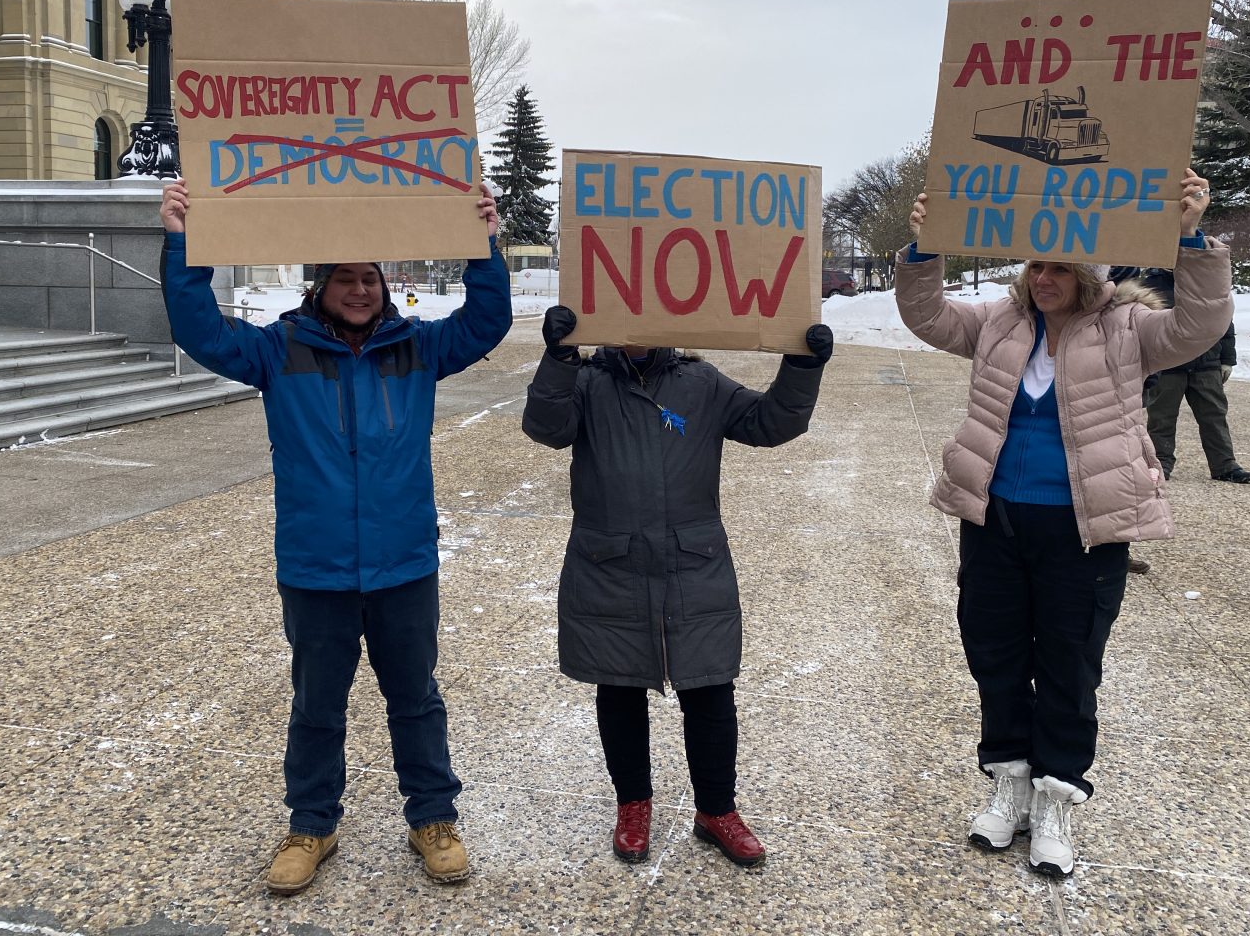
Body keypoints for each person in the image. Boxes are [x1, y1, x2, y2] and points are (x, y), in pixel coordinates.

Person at [158, 179, 512, 894]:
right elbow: (199, 330)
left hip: (402, 564)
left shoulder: (417, 349)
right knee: (317, 705)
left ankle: (434, 819)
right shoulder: (277, 351)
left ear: (385, 286)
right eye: (345, 278)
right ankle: (311, 823)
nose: (359, 290)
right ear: (321, 286)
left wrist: (485, 242)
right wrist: (182, 242)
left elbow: (487, 322)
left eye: (370, 277)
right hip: (316, 566)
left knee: (415, 698)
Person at [896, 168, 1231, 877]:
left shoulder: (1128, 328)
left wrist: (1192, 239)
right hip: (994, 521)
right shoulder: (997, 323)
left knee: (1070, 664)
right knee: (996, 654)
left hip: (1083, 529)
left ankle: (1055, 798)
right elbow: (928, 318)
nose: (1044, 277)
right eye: (1036, 265)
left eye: (1059, 267)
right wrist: (924, 251)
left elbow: (1200, 324)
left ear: (1086, 272)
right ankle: (1009, 783)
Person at [521, 307, 832, 868]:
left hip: (694, 564)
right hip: (609, 565)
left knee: (711, 693)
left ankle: (717, 809)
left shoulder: (701, 382)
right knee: (619, 689)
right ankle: (633, 805)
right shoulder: (587, 382)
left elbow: (769, 423)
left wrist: (801, 365)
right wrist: (559, 357)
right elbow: (546, 428)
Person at [1138, 267, 1250, 483]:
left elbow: (1224, 320)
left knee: (1214, 416)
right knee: (1161, 419)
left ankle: (1224, 464)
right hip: (1167, 364)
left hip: (1206, 362)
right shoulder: (1149, 284)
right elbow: (1142, 324)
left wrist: (1227, 360)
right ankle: (1160, 464)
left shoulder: (1204, 280)